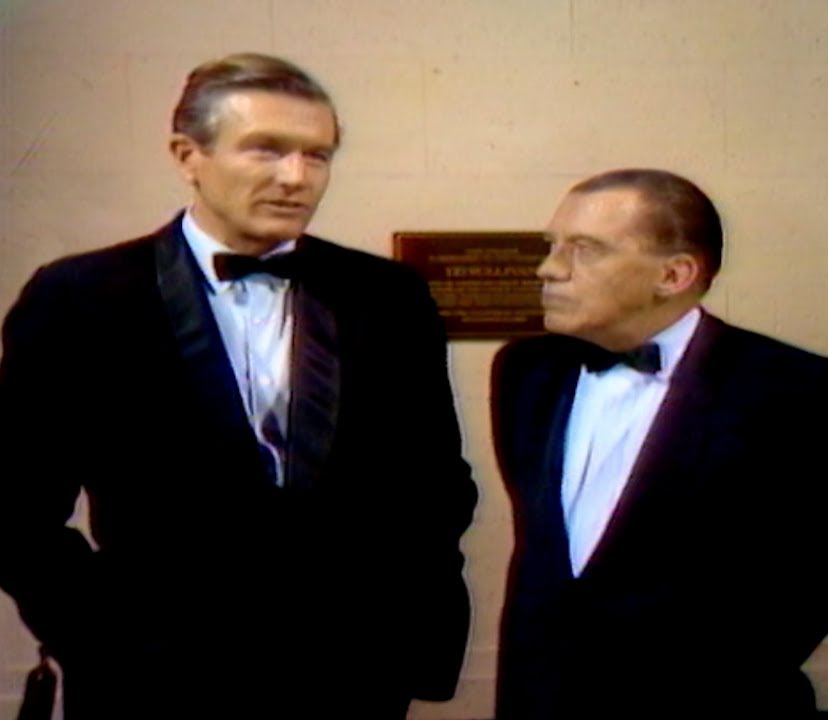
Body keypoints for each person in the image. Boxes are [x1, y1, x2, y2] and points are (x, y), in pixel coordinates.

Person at [0, 53, 476, 720]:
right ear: (187, 154)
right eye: (266, 150)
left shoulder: (388, 297)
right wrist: (99, 640)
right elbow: (15, 508)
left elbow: (434, 484)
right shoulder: (81, 296)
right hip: (150, 685)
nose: (296, 178)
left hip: (350, 681)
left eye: (318, 156)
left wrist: (402, 645)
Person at [489, 168, 828, 719]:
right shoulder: (526, 371)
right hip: (542, 704)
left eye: (585, 250)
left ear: (674, 274)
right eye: (553, 246)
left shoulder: (796, 387)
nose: (548, 269)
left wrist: (717, 678)